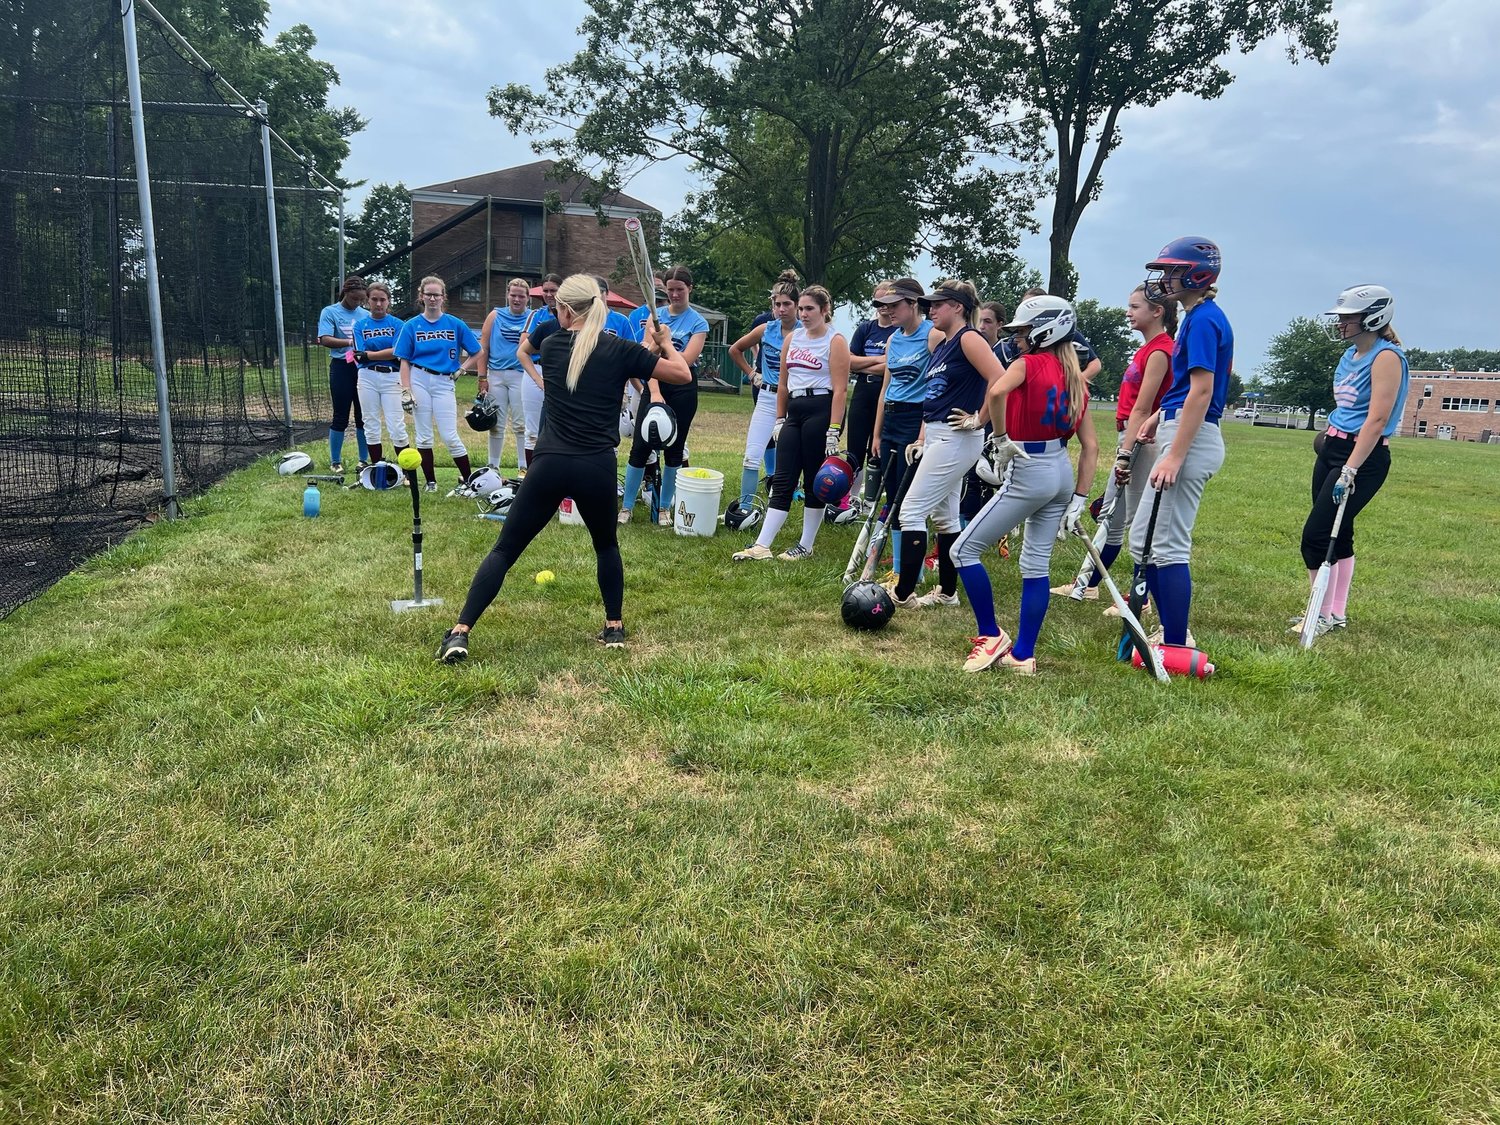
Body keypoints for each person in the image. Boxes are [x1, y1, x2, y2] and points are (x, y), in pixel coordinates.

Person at [435, 274, 692, 663]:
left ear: (567, 310)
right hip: (596, 466)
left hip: (550, 464)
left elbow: (551, 348)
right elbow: (682, 374)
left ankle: (460, 631)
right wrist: (665, 343)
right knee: (606, 546)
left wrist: (647, 344)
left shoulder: (553, 346)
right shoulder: (619, 349)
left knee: (505, 549)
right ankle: (614, 626)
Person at [950, 295, 1099, 674]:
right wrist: (1080, 497)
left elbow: (997, 390)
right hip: (1060, 470)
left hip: (1029, 466)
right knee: (1035, 565)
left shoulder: (1028, 363)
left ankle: (991, 634)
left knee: (963, 551)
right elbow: (1091, 446)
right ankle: (1023, 656)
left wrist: (999, 438)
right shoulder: (1075, 378)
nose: (1017, 338)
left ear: (1045, 331)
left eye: (1023, 331)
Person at [1131, 236, 1231, 649]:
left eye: (1173, 270)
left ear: (1197, 274)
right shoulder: (1194, 316)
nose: (1165, 278)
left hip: (1191, 436)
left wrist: (1174, 454)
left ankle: (1174, 641)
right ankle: (1167, 629)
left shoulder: (1206, 318)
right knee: (1143, 540)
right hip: (1178, 425)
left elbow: (1202, 391)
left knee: (1168, 544)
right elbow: (1185, 387)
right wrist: (1157, 416)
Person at [1290, 285, 1408, 636]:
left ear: (1372, 317)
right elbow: (1347, 408)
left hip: (1364, 455)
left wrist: (1350, 468)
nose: (1341, 323)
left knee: (1315, 536)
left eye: (1348, 317)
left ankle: (1320, 614)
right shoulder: (1349, 356)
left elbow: (1376, 419)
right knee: (1339, 534)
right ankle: (1335, 613)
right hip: (1334, 448)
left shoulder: (1387, 357)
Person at [1054, 283, 1176, 606]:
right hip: (1130, 436)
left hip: (1142, 441)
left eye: (1135, 307)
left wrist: (1125, 455)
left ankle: (1144, 595)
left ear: (1157, 311)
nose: (1128, 312)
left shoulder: (1161, 350)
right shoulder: (1146, 348)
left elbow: (1143, 407)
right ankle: (1088, 584)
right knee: (1111, 513)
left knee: (1139, 518)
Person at [884, 281, 1004, 608]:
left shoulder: (968, 338)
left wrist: (980, 419)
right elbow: (935, 396)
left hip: (957, 437)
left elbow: (1000, 379)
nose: (931, 310)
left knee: (911, 512)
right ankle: (948, 593)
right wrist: (923, 437)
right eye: (929, 305)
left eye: (938, 304)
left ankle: (903, 592)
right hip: (939, 435)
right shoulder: (945, 345)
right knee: (946, 518)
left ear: (959, 307)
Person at [731, 285, 849, 561]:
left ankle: (805, 545)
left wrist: (834, 429)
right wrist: (780, 418)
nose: (804, 314)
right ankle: (762, 545)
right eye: (802, 309)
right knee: (783, 477)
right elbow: (782, 384)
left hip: (821, 408)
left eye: (810, 309)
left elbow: (841, 390)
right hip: (794, 410)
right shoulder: (792, 339)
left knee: (813, 480)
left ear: (824, 311)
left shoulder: (836, 340)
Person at [619, 265, 709, 525]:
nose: (675, 295)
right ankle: (626, 508)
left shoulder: (698, 323)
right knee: (640, 447)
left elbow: (686, 362)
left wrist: (663, 344)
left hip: (683, 389)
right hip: (654, 387)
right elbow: (647, 360)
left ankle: (664, 508)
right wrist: (655, 392)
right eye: (670, 290)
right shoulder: (654, 317)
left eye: (680, 290)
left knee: (675, 449)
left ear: (690, 289)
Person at [868, 279, 940, 576]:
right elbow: (887, 387)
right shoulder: (893, 339)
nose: (888, 311)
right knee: (892, 497)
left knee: (908, 499)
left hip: (916, 418)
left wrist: (923, 433)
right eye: (884, 306)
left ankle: (911, 572)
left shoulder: (932, 336)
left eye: (894, 305)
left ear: (913, 304)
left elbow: (937, 388)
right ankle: (900, 570)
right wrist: (876, 432)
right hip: (892, 421)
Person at [394, 275, 482, 492]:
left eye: (437, 295)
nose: (432, 298)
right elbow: (404, 360)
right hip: (419, 377)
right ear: (421, 296)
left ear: (443, 297)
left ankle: (469, 480)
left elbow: (477, 351)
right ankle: (431, 482)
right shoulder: (411, 325)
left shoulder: (455, 323)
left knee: (449, 434)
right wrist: (406, 389)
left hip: (444, 381)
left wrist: (462, 369)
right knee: (423, 435)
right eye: (428, 294)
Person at [727, 270, 799, 516]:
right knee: (751, 454)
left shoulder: (804, 332)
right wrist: (751, 374)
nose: (782, 309)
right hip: (767, 398)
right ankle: (746, 508)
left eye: (787, 304)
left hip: (796, 400)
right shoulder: (765, 329)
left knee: (791, 459)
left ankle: (783, 505)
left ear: (797, 305)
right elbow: (735, 350)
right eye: (777, 304)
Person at [845, 282, 899, 509]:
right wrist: (879, 361)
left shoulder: (898, 331)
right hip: (863, 391)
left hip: (887, 391)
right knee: (854, 447)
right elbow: (848, 361)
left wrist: (864, 364)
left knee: (877, 449)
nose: (884, 307)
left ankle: (871, 501)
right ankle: (849, 498)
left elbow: (894, 366)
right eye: (878, 302)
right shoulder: (865, 329)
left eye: (888, 302)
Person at [473, 278, 531, 472]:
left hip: (521, 375)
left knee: (521, 424)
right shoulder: (495, 315)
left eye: (521, 296)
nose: (516, 299)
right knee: (495, 422)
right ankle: (493, 466)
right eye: (513, 295)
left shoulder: (532, 317)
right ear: (507, 295)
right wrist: (482, 377)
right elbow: (484, 346)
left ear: (528, 298)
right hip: (496, 374)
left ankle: (524, 467)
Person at [316, 275, 370, 473]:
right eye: (355, 299)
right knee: (340, 415)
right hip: (341, 367)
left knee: (362, 415)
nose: (358, 303)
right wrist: (350, 343)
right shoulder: (330, 312)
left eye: (361, 300)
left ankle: (363, 460)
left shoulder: (365, 315)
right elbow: (325, 339)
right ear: (346, 293)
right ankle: (335, 461)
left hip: (363, 368)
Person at [350, 282, 408, 466]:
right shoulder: (360, 325)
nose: (378, 304)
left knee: (396, 425)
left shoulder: (398, 324)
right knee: (370, 422)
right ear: (367, 301)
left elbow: (398, 351)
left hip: (392, 376)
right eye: (374, 299)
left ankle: (406, 468)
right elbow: (359, 354)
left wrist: (371, 354)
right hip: (367, 376)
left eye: (383, 300)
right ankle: (376, 467)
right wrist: (374, 355)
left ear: (388, 301)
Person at [515, 273, 563, 472]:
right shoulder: (538, 315)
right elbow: (523, 347)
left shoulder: (572, 314)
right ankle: (530, 472)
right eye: (546, 291)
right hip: (537, 369)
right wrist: (537, 378)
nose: (549, 294)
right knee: (533, 428)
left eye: (553, 290)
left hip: (561, 372)